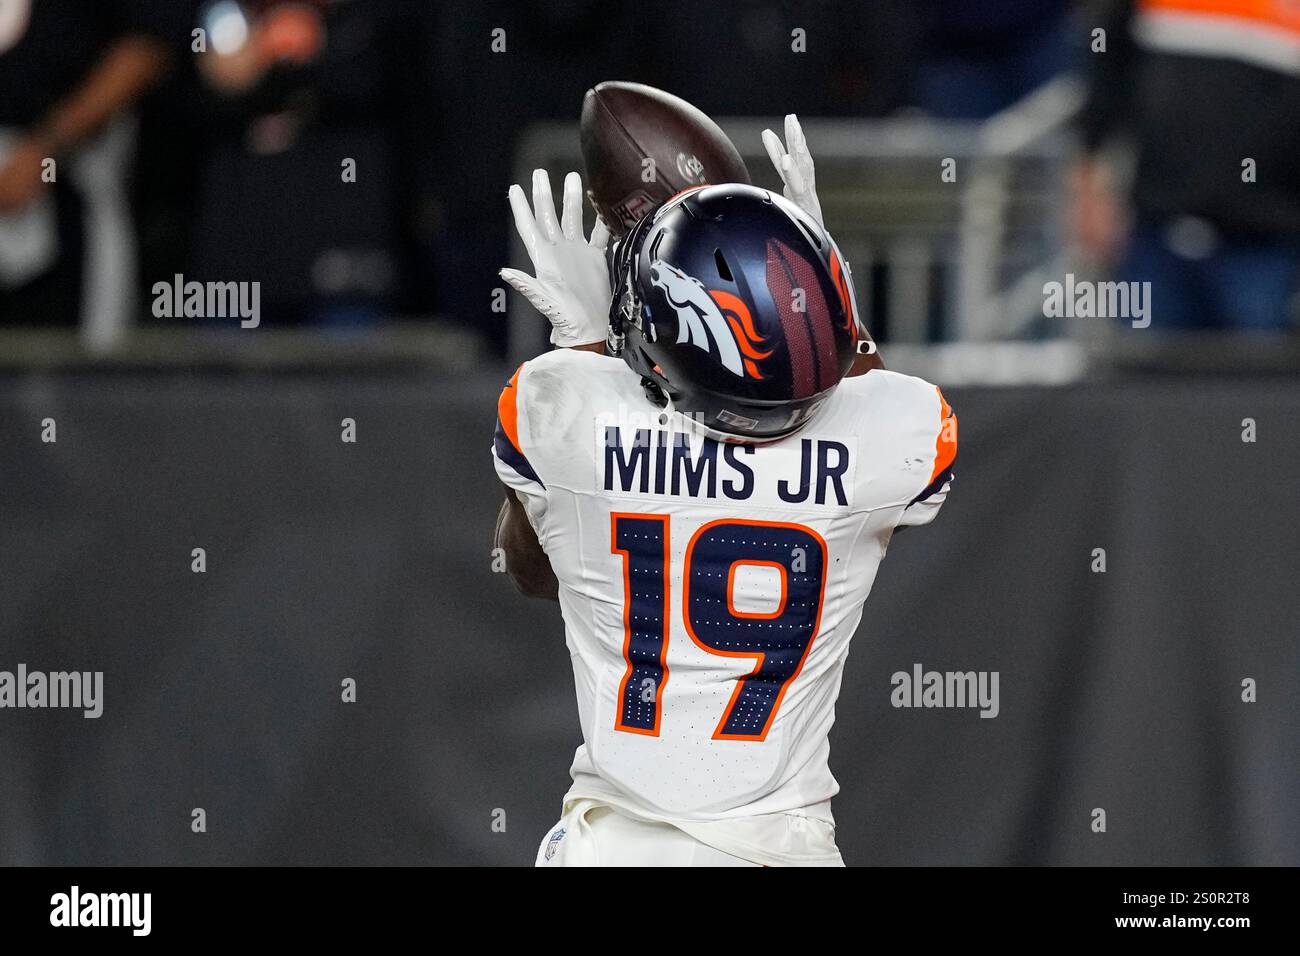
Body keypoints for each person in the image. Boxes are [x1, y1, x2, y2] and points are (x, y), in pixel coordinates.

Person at [491, 166, 957, 866]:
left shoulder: (562, 404)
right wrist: (830, 308)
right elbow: (865, 389)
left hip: (610, 847)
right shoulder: (891, 434)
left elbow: (530, 567)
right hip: (780, 848)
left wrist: (584, 346)